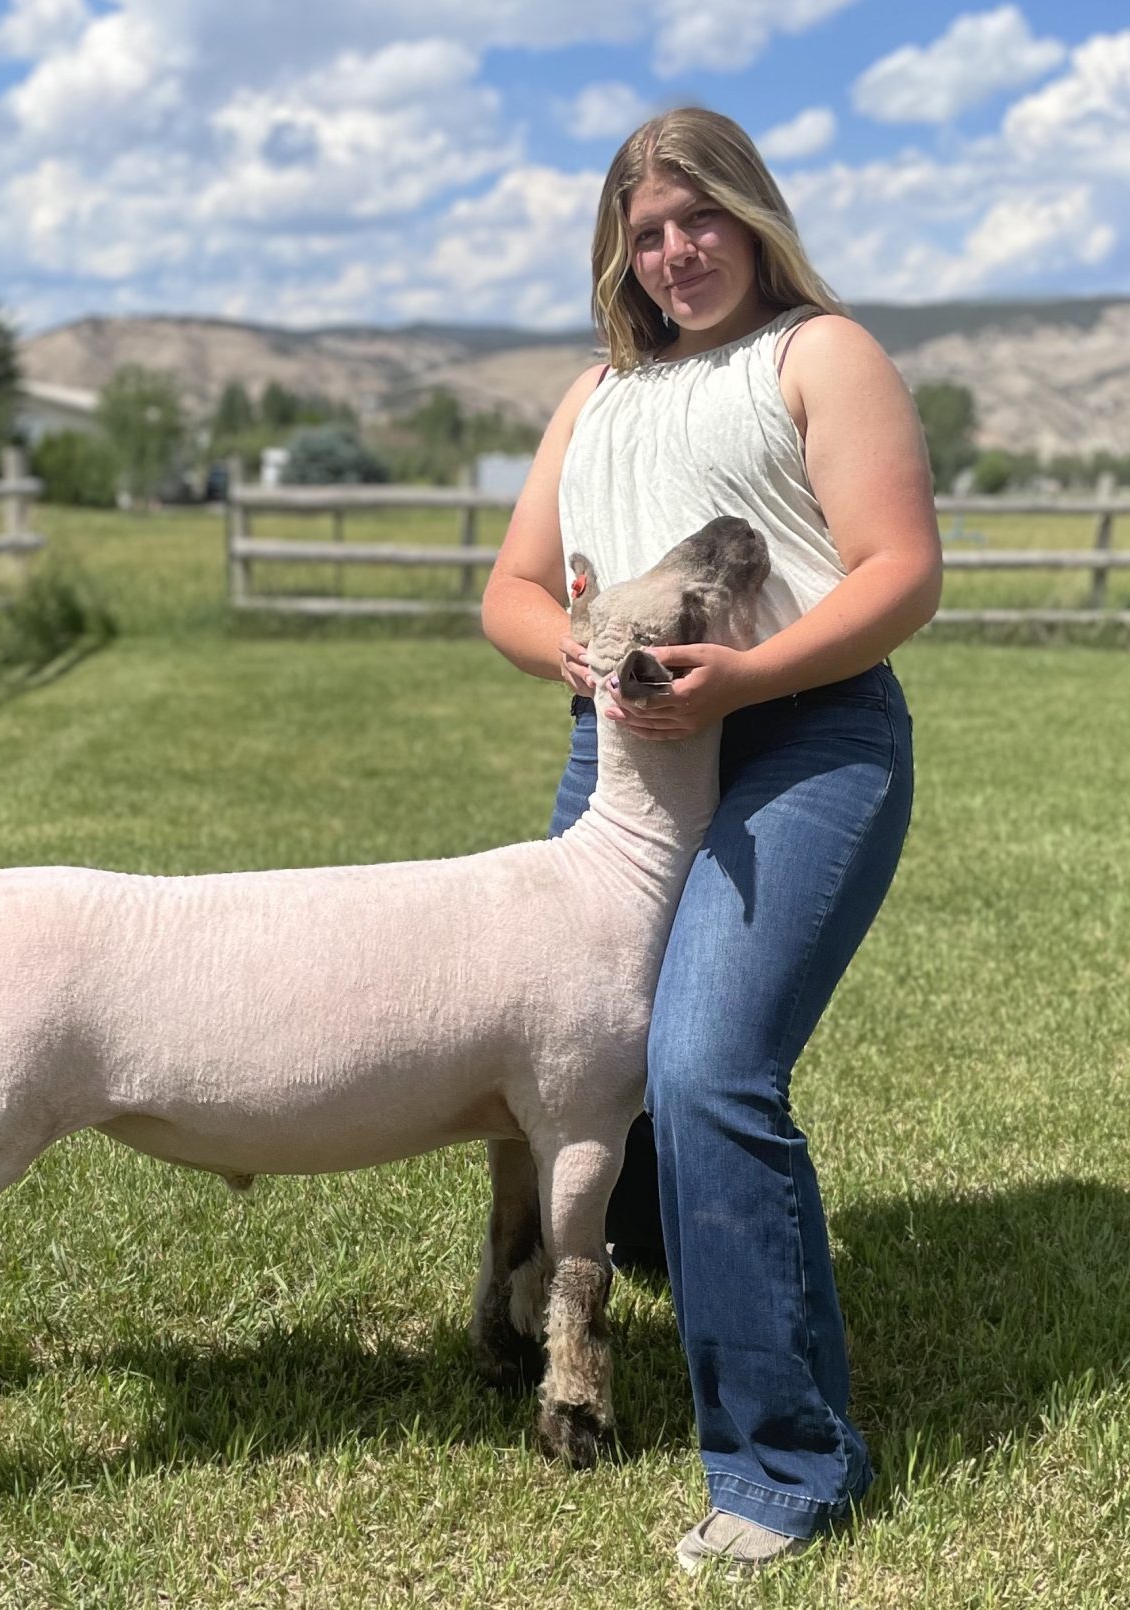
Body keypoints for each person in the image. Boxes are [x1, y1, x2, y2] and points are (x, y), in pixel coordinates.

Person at [480, 107, 942, 1575]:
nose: (676, 251)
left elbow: (902, 571)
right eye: (649, 226)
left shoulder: (822, 354)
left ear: (752, 215)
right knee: (583, 1062)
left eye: (701, 218)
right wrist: (566, 646)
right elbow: (507, 587)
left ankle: (791, 1457)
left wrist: (747, 677)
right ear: (619, 244)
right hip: (623, 758)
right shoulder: (596, 395)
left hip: (803, 736)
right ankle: (608, 1299)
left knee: (703, 1066)